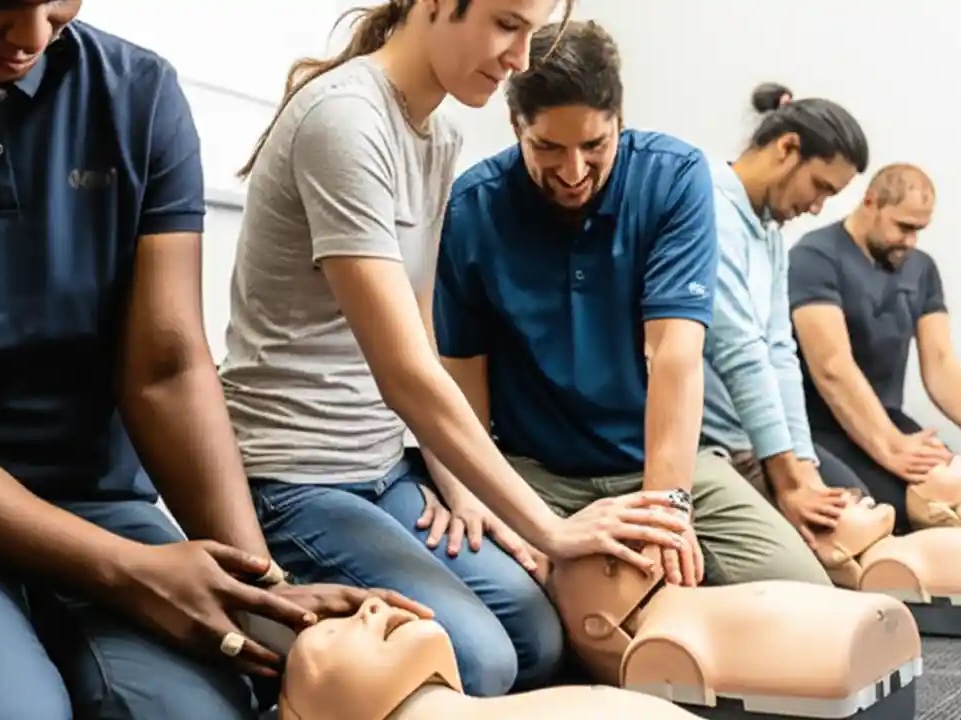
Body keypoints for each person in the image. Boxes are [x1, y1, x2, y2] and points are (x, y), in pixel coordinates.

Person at [0, 2, 425, 718]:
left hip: (97, 500)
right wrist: (126, 572)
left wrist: (261, 586)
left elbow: (168, 370)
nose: (33, 35)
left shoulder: (137, 95)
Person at [222, 0, 694, 699]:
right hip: (294, 477)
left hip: (383, 469)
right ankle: (279, 657)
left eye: (530, 32)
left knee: (537, 639)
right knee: (483, 661)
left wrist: (461, 490)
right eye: (507, 24)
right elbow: (405, 375)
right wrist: (549, 528)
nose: (521, 59)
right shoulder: (345, 120)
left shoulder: (437, 136)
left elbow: (422, 338)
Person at [433, 22, 830, 591]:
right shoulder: (473, 208)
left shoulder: (673, 180)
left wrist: (666, 507)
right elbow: (462, 376)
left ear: (619, 119)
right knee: (562, 604)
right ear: (516, 125)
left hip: (659, 462)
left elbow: (674, 356)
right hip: (535, 473)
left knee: (801, 587)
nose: (573, 172)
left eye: (594, 145)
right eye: (548, 148)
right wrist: (475, 495)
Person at [789, 163, 961, 534]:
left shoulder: (921, 269)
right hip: (819, 427)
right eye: (903, 227)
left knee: (959, 498)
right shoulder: (815, 257)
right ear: (870, 202)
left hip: (888, 417)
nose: (911, 241)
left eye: (919, 230)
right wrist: (891, 447)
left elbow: (940, 360)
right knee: (890, 512)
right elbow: (832, 366)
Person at [701, 82, 872, 548]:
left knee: (856, 515)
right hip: (709, 447)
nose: (817, 208)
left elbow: (779, 351)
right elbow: (739, 350)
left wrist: (804, 466)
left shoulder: (769, 232)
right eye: (819, 187)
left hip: (753, 440)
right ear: (787, 148)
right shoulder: (710, 208)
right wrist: (789, 481)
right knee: (836, 541)